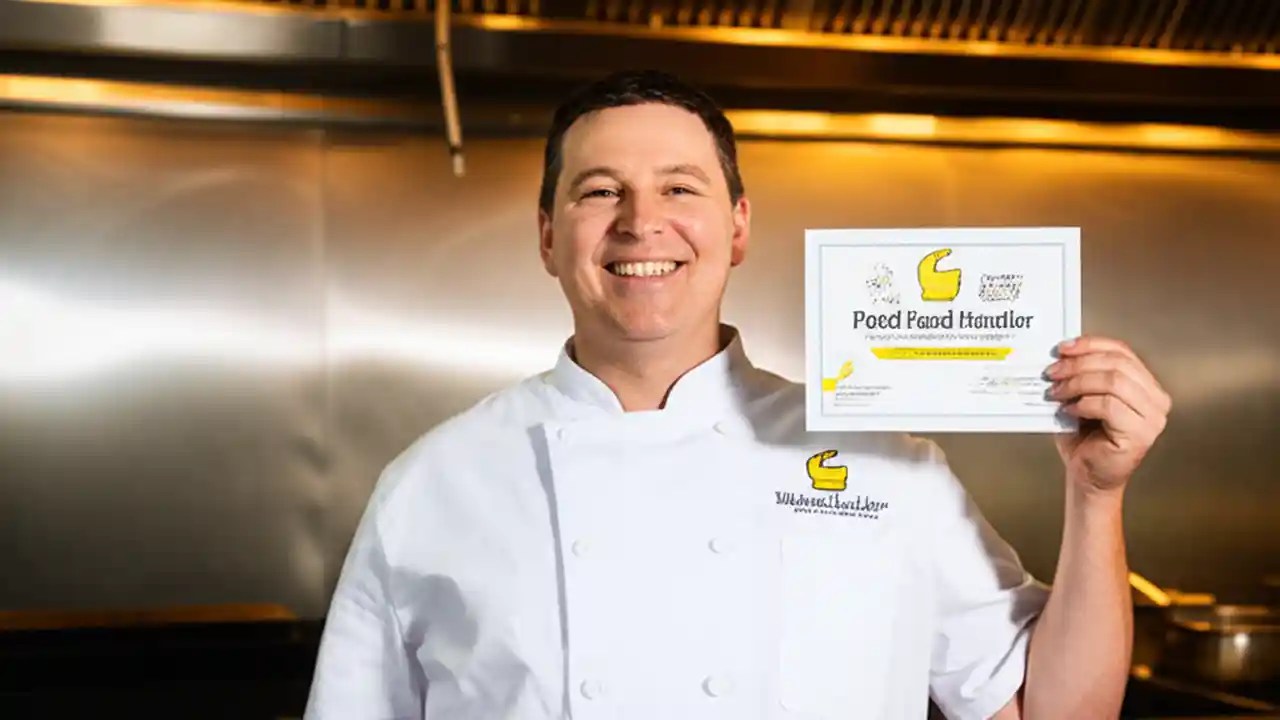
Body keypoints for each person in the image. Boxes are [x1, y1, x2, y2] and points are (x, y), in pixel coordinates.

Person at [304, 70, 1171, 719]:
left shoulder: (885, 465)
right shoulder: (433, 484)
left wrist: (1096, 496)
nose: (641, 222)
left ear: (738, 227)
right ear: (546, 237)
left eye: (680, 188)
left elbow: (1054, 714)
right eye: (599, 191)